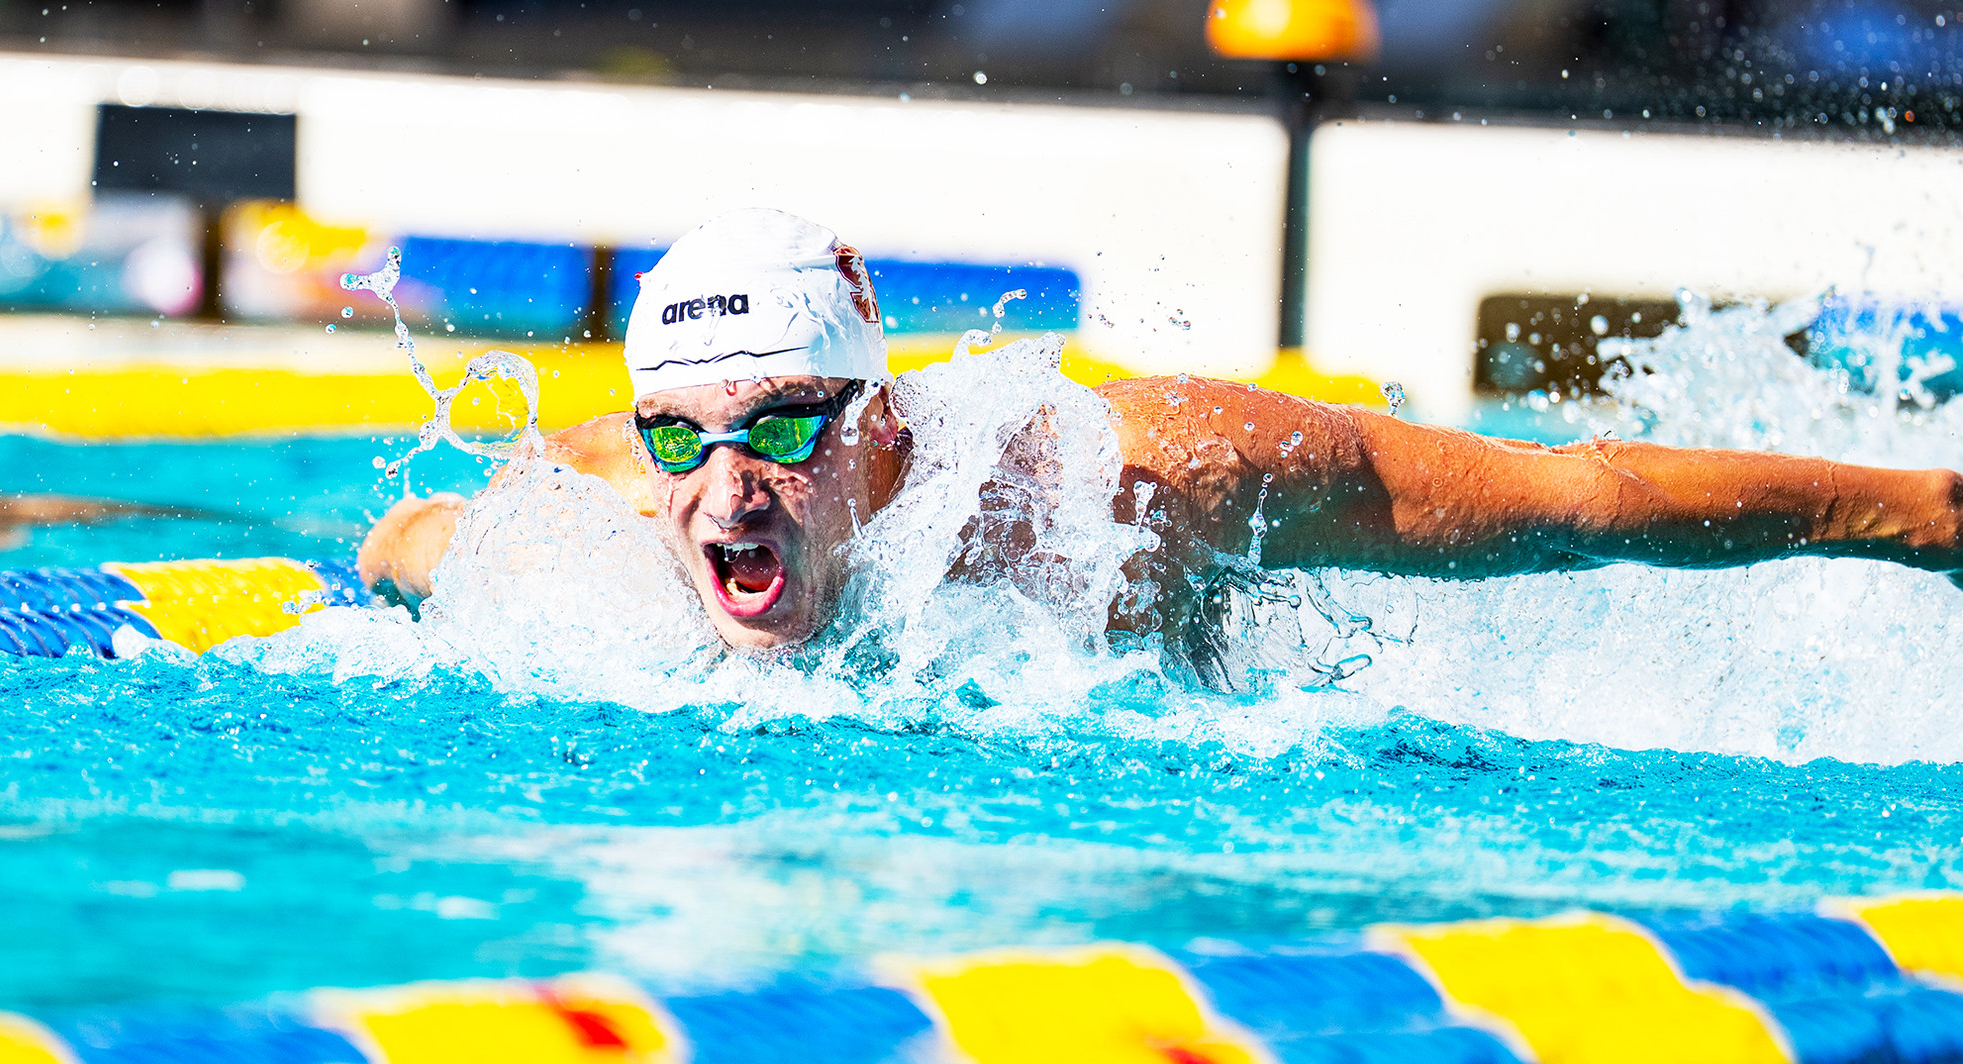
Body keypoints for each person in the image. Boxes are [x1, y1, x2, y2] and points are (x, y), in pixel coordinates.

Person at [357, 209, 1963, 671]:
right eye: (682, 436)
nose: (727, 490)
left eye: (781, 421)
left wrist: (1915, 513)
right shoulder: (627, 501)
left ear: (879, 410)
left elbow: (1571, 495)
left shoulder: (1121, 480)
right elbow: (409, 544)